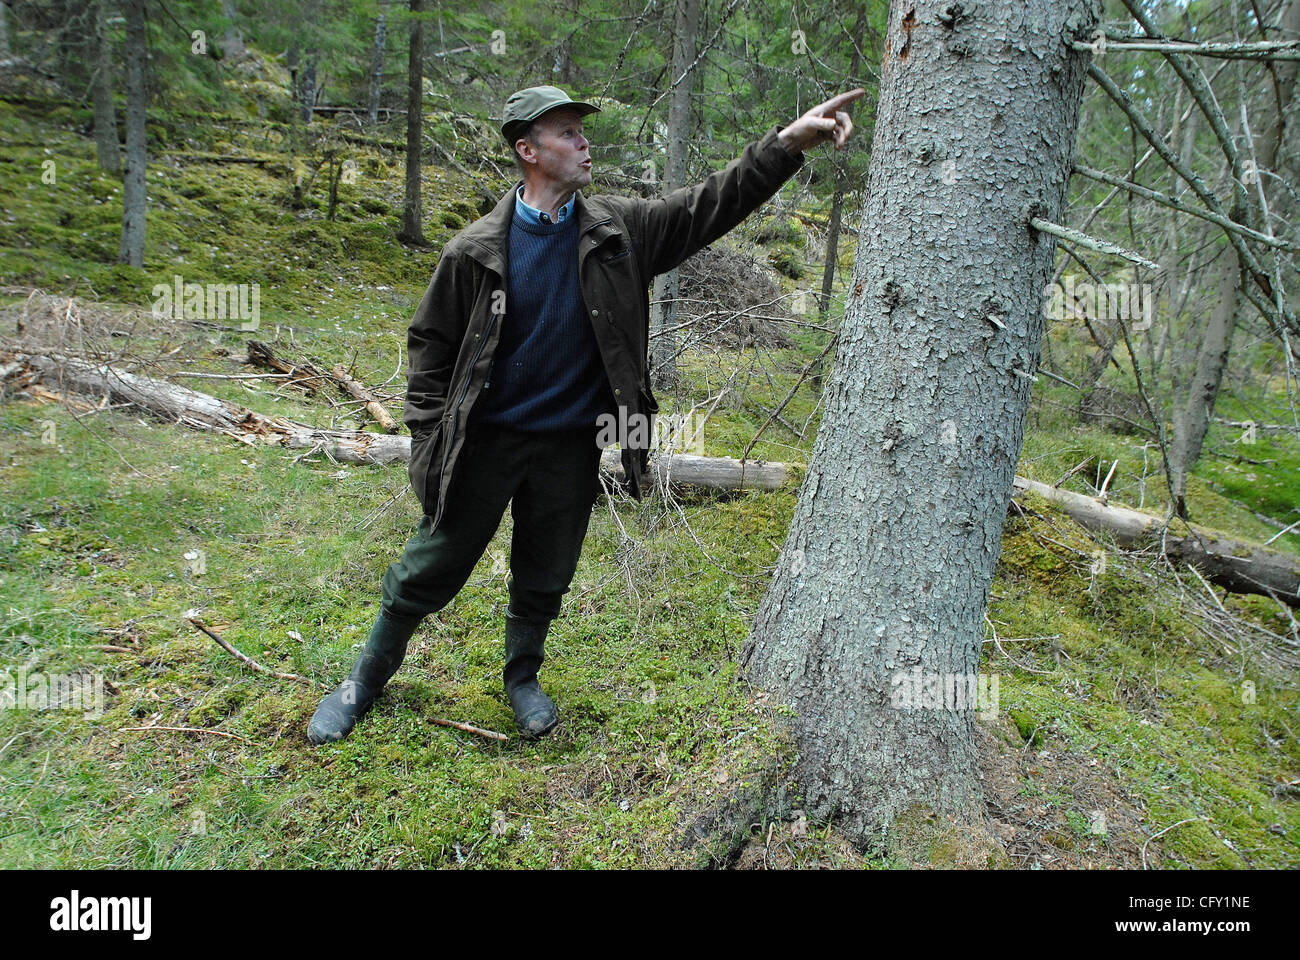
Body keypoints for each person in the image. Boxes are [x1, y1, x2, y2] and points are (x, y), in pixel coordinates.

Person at [307, 84, 864, 744]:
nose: (583, 142)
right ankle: (362, 682)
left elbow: (710, 205)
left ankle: (522, 680)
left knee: (545, 572)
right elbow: (430, 346)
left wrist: (787, 144)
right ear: (528, 150)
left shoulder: (620, 231)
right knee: (427, 568)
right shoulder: (475, 250)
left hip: (570, 447)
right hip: (483, 445)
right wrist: (430, 436)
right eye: (567, 133)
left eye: (582, 131)